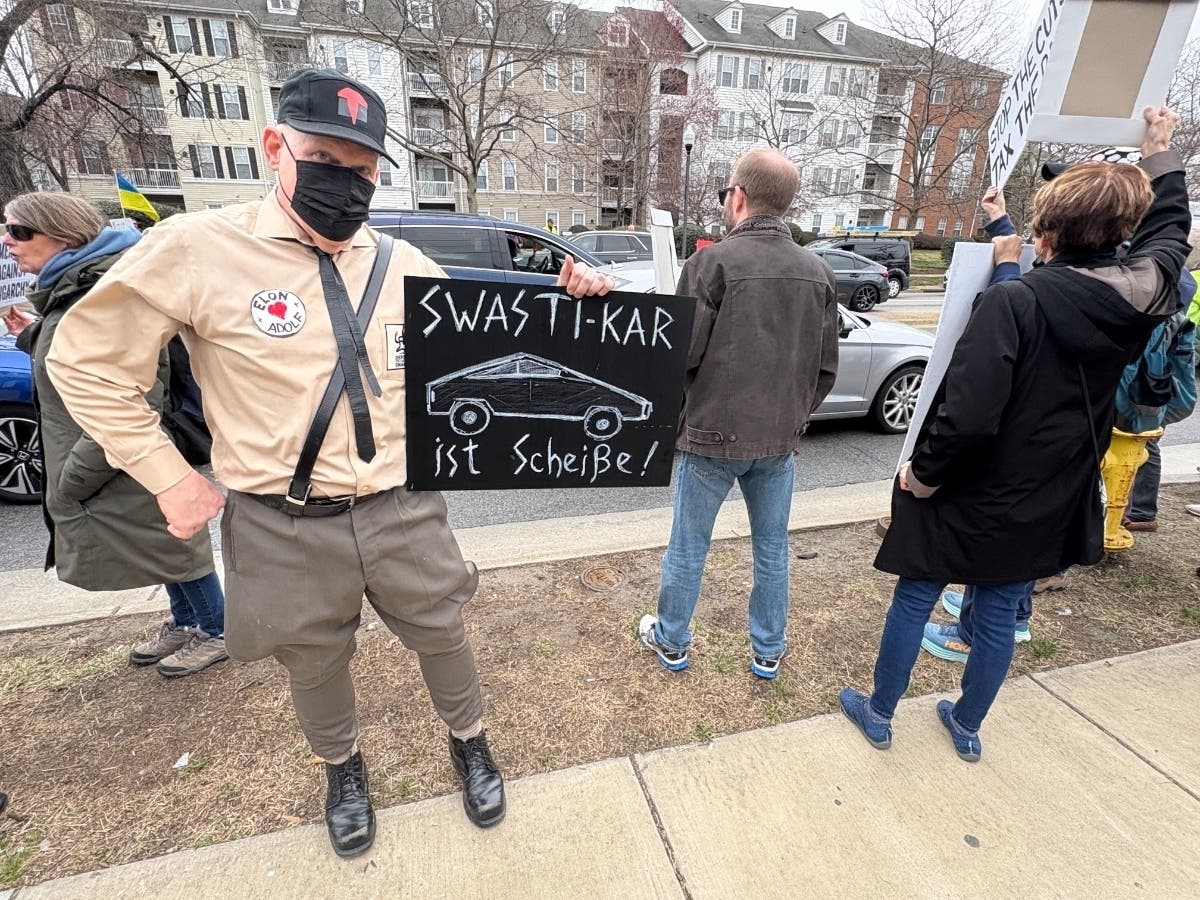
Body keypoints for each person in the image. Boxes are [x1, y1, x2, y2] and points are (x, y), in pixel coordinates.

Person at [44, 69, 615, 859]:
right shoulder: (198, 250)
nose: (344, 187)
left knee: (443, 631)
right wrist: (166, 475)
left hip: (403, 507)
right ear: (276, 146)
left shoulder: (408, 265)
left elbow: (498, 351)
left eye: (363, 174)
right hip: (280, 521)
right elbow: (85, 363)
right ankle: (342, 769)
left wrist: (577, 310)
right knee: (312, 659)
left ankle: (471, 741)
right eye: (323, 160)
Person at [840, 106, 1189, 762]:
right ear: (1121, 234)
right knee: (999, 609)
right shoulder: (1141, 294)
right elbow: (1169, 236)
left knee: (917, 592)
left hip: (968, 485)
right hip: (1051, 489)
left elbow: (968, 415)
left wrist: (924, 475)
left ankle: (880, 712)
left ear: (1048, 234)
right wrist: (1160, 154)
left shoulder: (1014, 301)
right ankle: (967, 727)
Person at [1, 194, 226, 679]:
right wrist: (35, 334)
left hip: (123, 455)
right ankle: (188, 622)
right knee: (155, 543)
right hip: (113, 456)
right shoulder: (77, 286)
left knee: (178, 546)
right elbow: (77, 360)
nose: (7, 241)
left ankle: (216, 630)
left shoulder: (103, 290)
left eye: (19, 231)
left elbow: (137, 395)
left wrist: (73, 477)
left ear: (62, 236)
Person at [637, 146, 839, 680]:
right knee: (771, 551)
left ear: (740, 197)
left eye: (727, 192)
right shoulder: (818, 272)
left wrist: (683, 415)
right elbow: (824, 369)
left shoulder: (710, 264)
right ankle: (768, 650)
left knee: (688, 547)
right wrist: (794, 417)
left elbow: (680, 357)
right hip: (779, 442)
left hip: (709, 437)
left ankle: (673, 640)